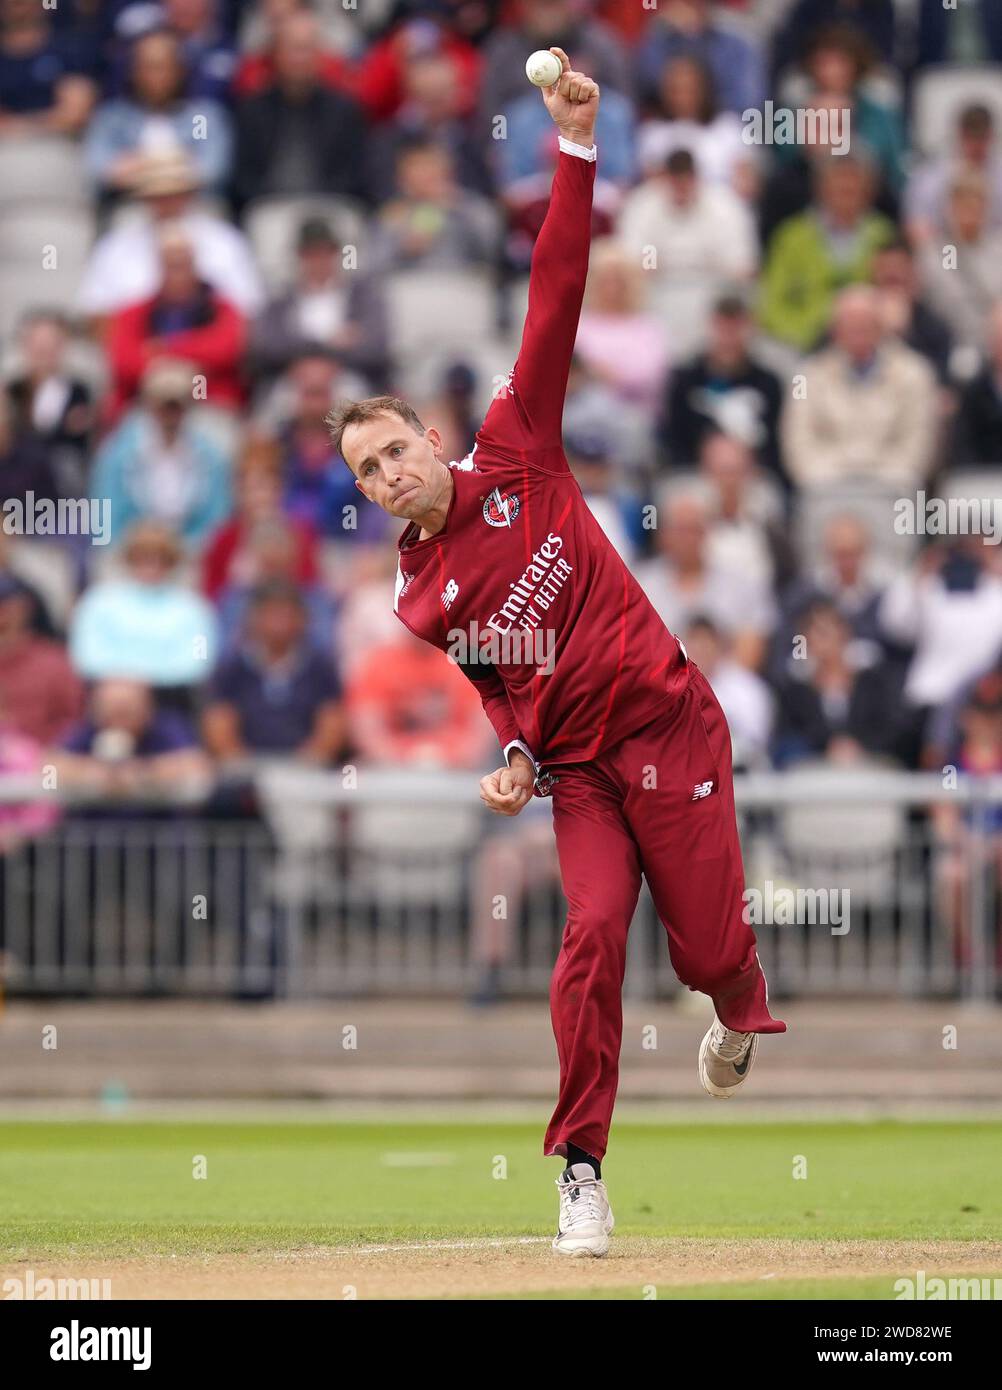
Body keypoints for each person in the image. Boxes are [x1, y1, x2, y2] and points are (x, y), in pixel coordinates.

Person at [325, 51, 785, 1260]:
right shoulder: (420, 597)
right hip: (580, 773)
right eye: (367, 474)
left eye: (393, 452)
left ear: (430, 437)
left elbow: (556, 286)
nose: (389, 476)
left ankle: (739, 1010)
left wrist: (574, 146)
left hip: (670, 725)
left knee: (706, 954)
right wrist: (519, 754)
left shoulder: (515, 444)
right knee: (587, 940)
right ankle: (580, 1169)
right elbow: (503, 680)